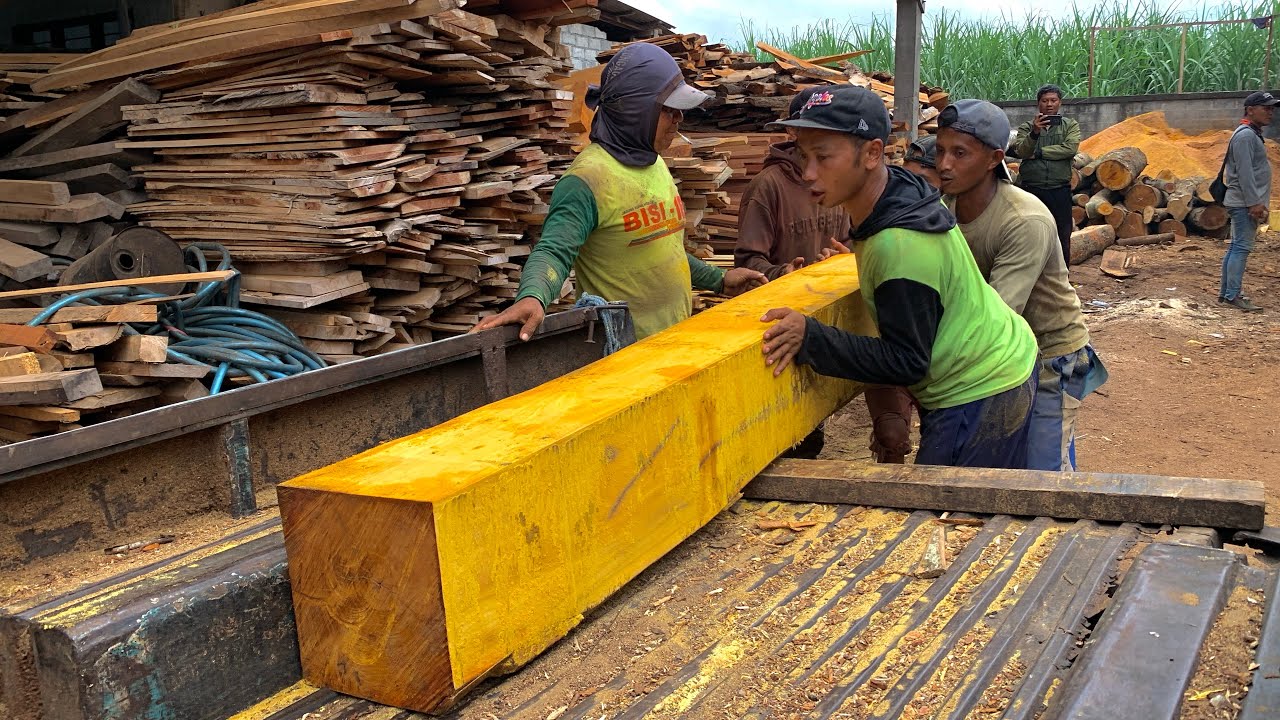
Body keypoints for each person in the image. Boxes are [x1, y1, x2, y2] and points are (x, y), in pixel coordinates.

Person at [759, 86, 1040, 469]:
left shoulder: (899, 244)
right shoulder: (900, 192)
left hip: (980, 389)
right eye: (803, 156)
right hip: (1002, 357)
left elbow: (907, 361)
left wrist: (810, 337)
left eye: (823, 157)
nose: (808, 173)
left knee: (947, 504)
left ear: (873, 153)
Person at [473, 43, 767, 341]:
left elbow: (664, 251)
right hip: (622, 355)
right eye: (669, 109)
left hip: (672, 346)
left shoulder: (654, 163)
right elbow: (554, 250)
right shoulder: (586, 180)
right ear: (635, 111)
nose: (679, 118)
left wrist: (720, 279)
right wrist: (533, 296)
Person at [937, 99, 1108, 471]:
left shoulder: (1023, 219)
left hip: (1050, 357)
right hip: (1004, 354)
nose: (944, 164)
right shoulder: (944, 209)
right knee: (1005, 467)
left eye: (960, 153)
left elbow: (997, 315)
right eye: (940, 151)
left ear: (993, 158)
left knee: (1044, 474)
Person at [734, 88, 851, 279]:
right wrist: (783, 273)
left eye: (829, 129)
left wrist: (841, 258)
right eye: (813, 128)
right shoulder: (768, 186)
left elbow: (851, 244)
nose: (822, 136)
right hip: (782, 297)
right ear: (792, 131)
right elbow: (747, 262)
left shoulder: (839, 180)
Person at [1219, 90, 1278, 313]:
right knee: (1241, 247)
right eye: (1266, 108)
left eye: (1272, 109)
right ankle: (1233, 295)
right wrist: (1254, 202)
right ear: (1250, 110)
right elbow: (1245, 173)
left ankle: (1227, 293)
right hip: (1244, 202)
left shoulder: (1251, 134)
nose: (1270, 113)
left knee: (1237, 246)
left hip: (1242, 201)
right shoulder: (1245, 136)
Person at [1012, 84, 1080, 265]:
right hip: (1031, 190)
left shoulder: (1070, 126)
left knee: (1062, 235)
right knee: (1029, 234)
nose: (1049, 104)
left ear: (1060, 103)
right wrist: (1035, 133)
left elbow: (1070, 149)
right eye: (1044, 101)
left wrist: (1039, 153)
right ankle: (1032, 272)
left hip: (1059, 189)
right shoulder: (1027, 127)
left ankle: (1062, 275)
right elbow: (1022, 151)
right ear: (1038, 104)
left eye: (1053, 100)